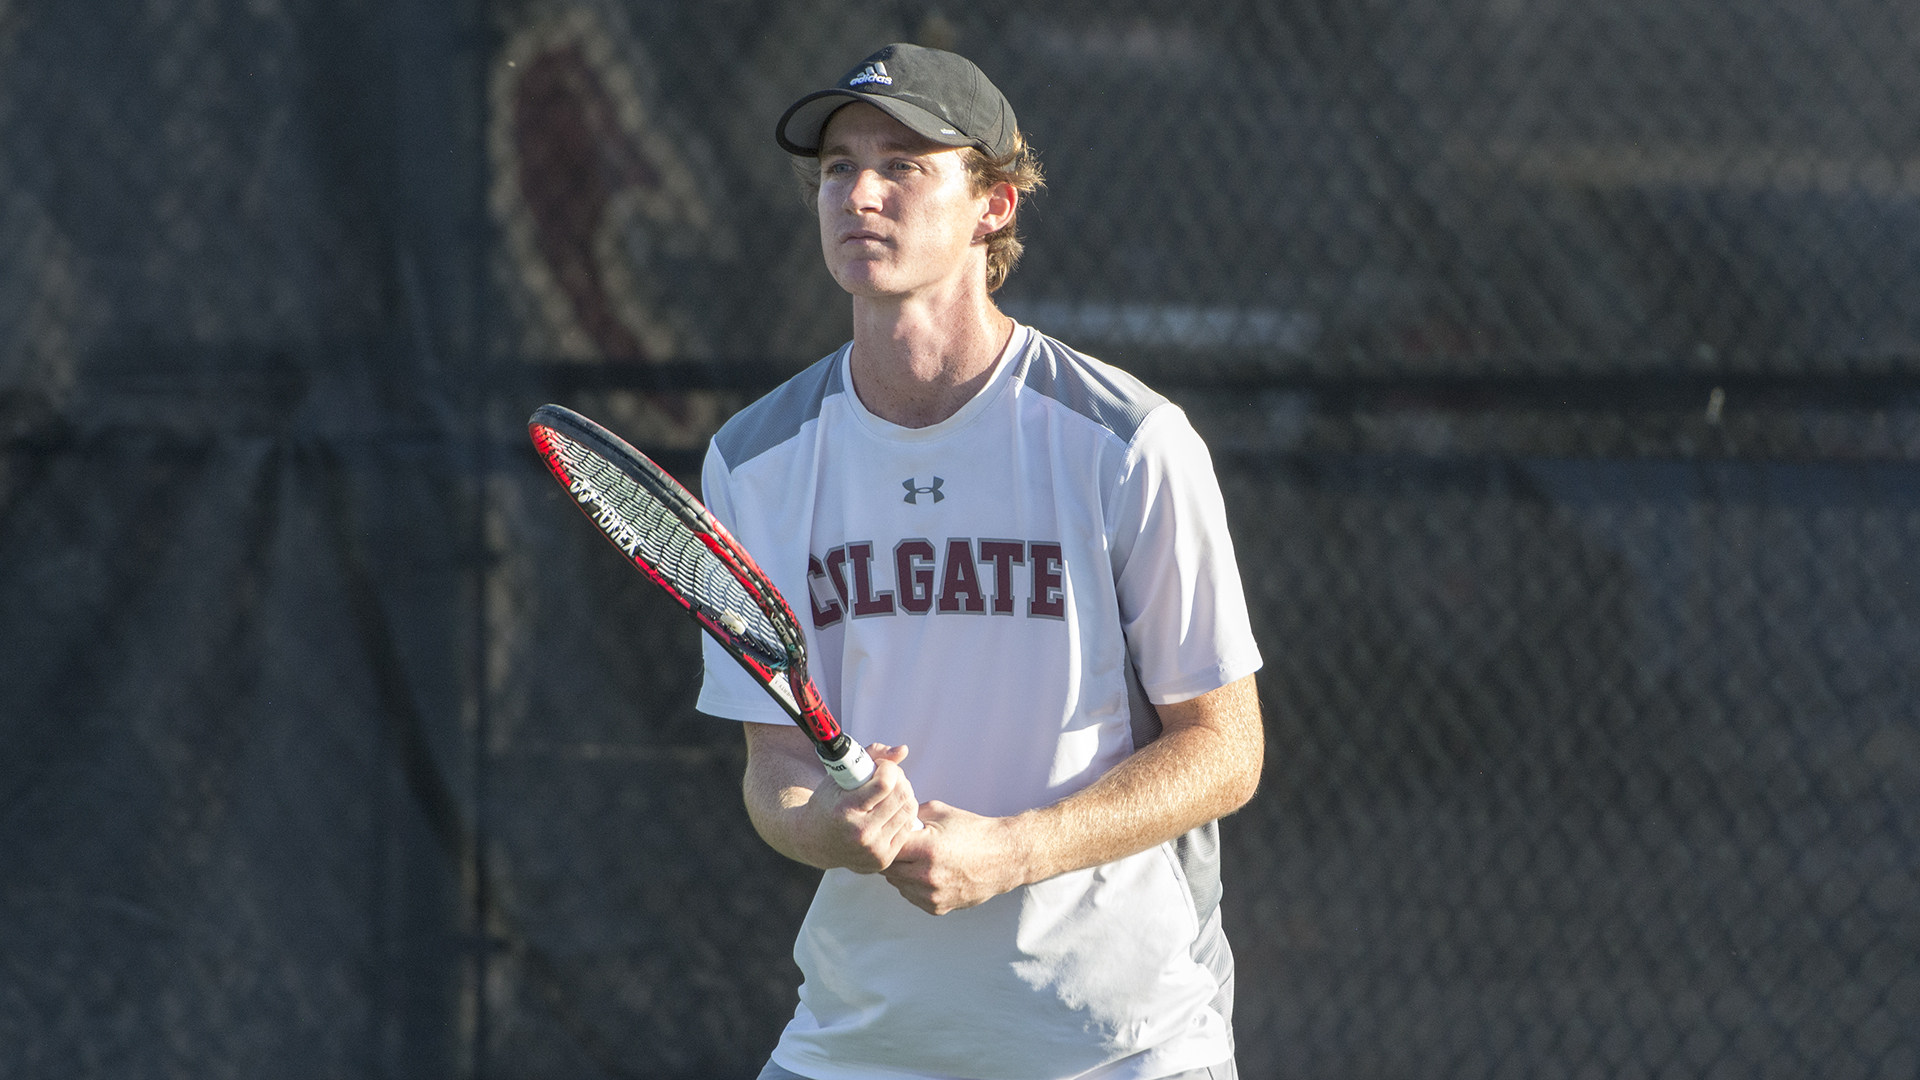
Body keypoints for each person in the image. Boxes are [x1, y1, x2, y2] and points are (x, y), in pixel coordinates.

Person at [696, 42, 1265, 1080]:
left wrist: (1016, 851)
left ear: (993, 205)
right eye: (836, 167)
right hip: (859, 1046)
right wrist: (834, 824)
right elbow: (775, 769)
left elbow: (1226, 750)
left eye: (903, 163)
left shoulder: (1130, 442)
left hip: (1121, 1048)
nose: (859, 192)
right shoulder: (755, 459)